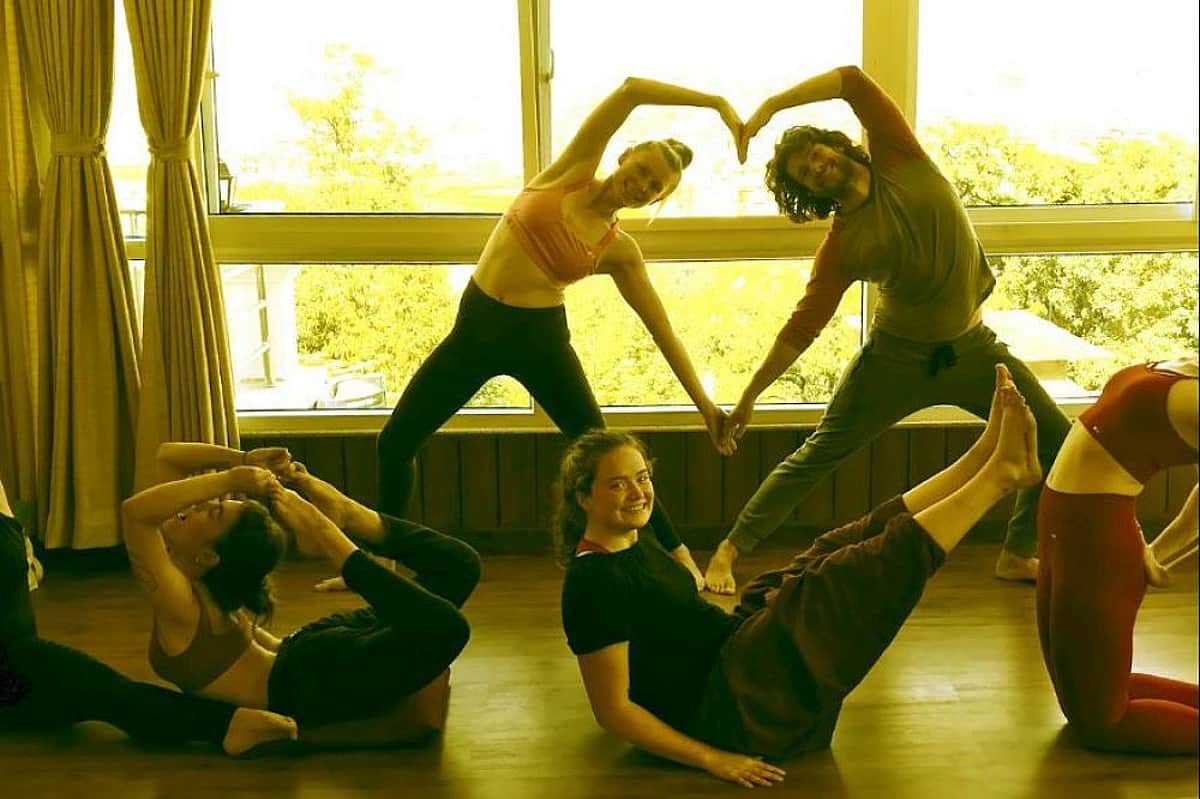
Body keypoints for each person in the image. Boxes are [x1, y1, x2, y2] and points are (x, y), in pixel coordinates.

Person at [558, 365, 1042, 786]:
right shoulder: (592, 583)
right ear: (583, 498)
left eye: (642, 478)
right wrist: (712, 758)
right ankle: (999, 479)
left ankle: (982, 457)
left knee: (834, 545)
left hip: (732, 647)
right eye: (617, 484)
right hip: (732, 705)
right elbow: (613, 712)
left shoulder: (636, 540)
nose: (638, 493)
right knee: (845, 578)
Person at [360, 77, 746, 594]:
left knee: (607, 454)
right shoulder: (569, 172)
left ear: (658, 199)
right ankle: (381, 562)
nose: (642, 185)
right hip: (474, 330)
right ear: (625, 155)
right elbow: (630, 91)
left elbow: (661, 330)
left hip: (538, 339)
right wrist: (715, 100)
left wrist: (705, 405)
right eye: (642, 171)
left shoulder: (619, 248)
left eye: (655, 188)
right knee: (396, 441)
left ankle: (678, 557)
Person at [703, 65, 1071, 593]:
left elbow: (852, 81)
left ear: (835, 146)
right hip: (895, 361)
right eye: (806, 174)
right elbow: (801, 328)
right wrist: (747, 400)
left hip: (972, 349)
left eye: (814, 154)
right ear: (811, 191)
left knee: (1054, 439)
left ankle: (1016, 553)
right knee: (820, 452)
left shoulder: (900, 156)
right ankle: (729, 549)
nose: (817, 166)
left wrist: (769, 110)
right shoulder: (842, 245)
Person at [119, 442, 480, 746]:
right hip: (313, 681)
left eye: (208, 510)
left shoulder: (190, 582)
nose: (192, 505)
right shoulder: (179, 599)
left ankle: (351, 518)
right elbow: (150, 486)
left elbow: (164, 466)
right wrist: (231, 476)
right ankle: (331, 535)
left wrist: (243, 463)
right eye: (209, 508)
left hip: (310, 662)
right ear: (208, 556)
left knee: (460, 566)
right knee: (448, 624)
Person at [0, 468, 297, 756]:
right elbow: (164, 467)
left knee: (102, 692)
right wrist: (235, 469)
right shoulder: (196, 596)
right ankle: (223, 725)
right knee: (107, 694)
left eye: (214, 512)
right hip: (16, 667)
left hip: (19, 672)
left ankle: (224, 725)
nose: (199, 507)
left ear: (209, 557)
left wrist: (235, 473)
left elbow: (147, 498)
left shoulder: (192, 599)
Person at [1037, 358, 1198, 755]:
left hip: (1098, 541)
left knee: (1103, 724)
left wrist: (1160, 553)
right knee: (1082, 701)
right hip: (1062, 529)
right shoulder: (1182, 365)